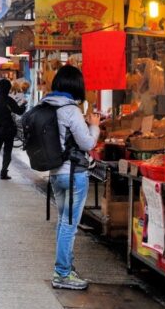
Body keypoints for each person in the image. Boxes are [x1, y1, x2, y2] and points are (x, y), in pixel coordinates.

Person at [44, 65, 100, 291]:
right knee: (69, 225)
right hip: (74, 174)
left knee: (63, 222)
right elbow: (87, 143)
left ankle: (65, 267)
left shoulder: (47, 105)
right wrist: (94, 127)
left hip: (56, 173)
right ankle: (62, 273)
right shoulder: (70, 109)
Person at [0, 78, 27, 179]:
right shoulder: (9, 100)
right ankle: (3, 173)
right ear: (8, 88)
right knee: (7, 151)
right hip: (9, 129)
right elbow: (19, 111)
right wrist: (24, 104)